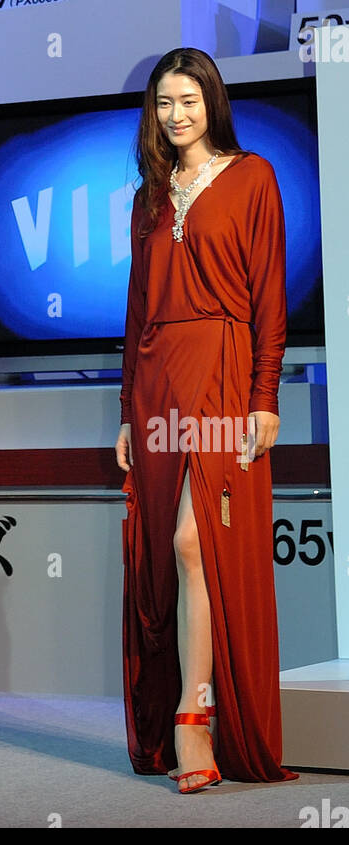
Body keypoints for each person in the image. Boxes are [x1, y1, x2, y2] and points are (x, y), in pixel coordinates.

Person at [115, 47, 298, 793]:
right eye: (163, 102)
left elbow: (268, 299)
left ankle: (199, 720)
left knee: (197, 541)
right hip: (156, 377)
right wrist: (125, 410)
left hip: (223, 370)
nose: (175, 113)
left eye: (187, 99)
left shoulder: (253, 177)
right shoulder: (148, 197)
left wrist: (265, 394)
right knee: (165, 553)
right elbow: (134, 314)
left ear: (211, 102)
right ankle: (185, 715)